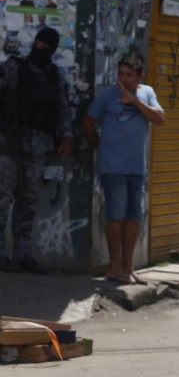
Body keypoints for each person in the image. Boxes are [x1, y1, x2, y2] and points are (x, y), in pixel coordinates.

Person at [83, 54, 165, 285]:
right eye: (121, 74)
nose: (124, 78)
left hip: (136, 167)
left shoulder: (147, 93)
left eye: (129, 75)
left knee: (133, 218)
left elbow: (160, 118)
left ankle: (128, 268)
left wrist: (134, 101)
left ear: (139, 76)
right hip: (113, 166)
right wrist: (100, 146)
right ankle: (114, 268)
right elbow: (88, 122)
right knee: (116, 217)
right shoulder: (107, 96)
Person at [0, 26, 74, 272]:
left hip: (38, 145)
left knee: (28, 202)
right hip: (8, 144)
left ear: (52, 50)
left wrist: (66, 136)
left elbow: (63, 109)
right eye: (38, 45)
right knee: (2, 200)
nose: (40, 50)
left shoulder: (56, 76)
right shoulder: (13, 68)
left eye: (45, 47)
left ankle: (22, 254)